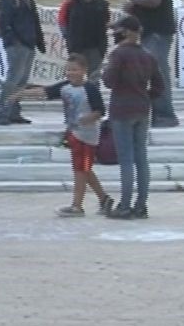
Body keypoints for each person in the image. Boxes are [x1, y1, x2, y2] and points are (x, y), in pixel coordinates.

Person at [11, 53, 113, 217]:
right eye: (68, 70)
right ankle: (104, 199)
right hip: (74, 134)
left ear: (84, 70)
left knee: (81, 171)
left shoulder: (90, 89)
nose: (71, 73)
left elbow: (100, 111)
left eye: (75, 70)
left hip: (88, 137)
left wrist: (86, 119)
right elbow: (45, 91)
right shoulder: (65, 86)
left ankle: (77, 206)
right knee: (84, 170)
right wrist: (22, 94)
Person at [103, 15, 167, 220]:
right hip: (142, 109)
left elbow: (109, 82)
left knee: (126, 160)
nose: (116, 33)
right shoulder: (148, 56)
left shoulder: (118, 54)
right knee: (141, 159)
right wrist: (146, 97)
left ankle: (125, 205)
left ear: (128, 31)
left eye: (119, 30)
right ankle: (141, 205)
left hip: (122, 109)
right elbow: (160, 86)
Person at [125, 0, 181, 127]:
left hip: (158, 34)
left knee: (158, 75)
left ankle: (165, 115)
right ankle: (156, 113)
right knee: (151, 74)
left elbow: (155, 1)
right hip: (148, 34)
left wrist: (135, 2)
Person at [0, 0, 44, 126]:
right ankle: (3, 112)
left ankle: (14, 112)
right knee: (13, 80)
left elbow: (35, 22)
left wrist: (39, 42)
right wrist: (13, 40)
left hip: (28, 44)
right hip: (17, 44)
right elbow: (6, 22)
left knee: (21, 81)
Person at [58, 0, 111, 81]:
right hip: (77, 46)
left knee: (94, 77)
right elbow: (62, 20)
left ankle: (93, 97)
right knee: (75, 76)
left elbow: (106, 21)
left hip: (95, 47)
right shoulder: (71, 2)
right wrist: (69, 39)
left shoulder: (102, 3)